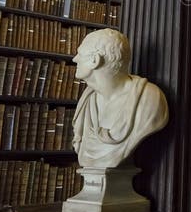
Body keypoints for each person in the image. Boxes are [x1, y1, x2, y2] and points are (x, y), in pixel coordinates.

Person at [71, 29, 169, 169]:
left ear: (95, 60)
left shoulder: (149, 99)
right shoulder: (87, 101)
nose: (75, 59)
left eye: (80, 54)